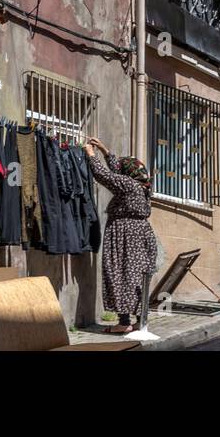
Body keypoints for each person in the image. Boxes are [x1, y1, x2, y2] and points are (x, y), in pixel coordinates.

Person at [84, 137, 159, 335]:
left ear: (128, 173)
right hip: (140, 235)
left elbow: (103, 176)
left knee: (120, 272)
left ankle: (123, 322)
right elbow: (118, 170)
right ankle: (138, 320)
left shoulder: (128, 185)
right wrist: (104, 149)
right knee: (136, 276)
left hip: (125, 235)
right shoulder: (142, 186)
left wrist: (91, 154)